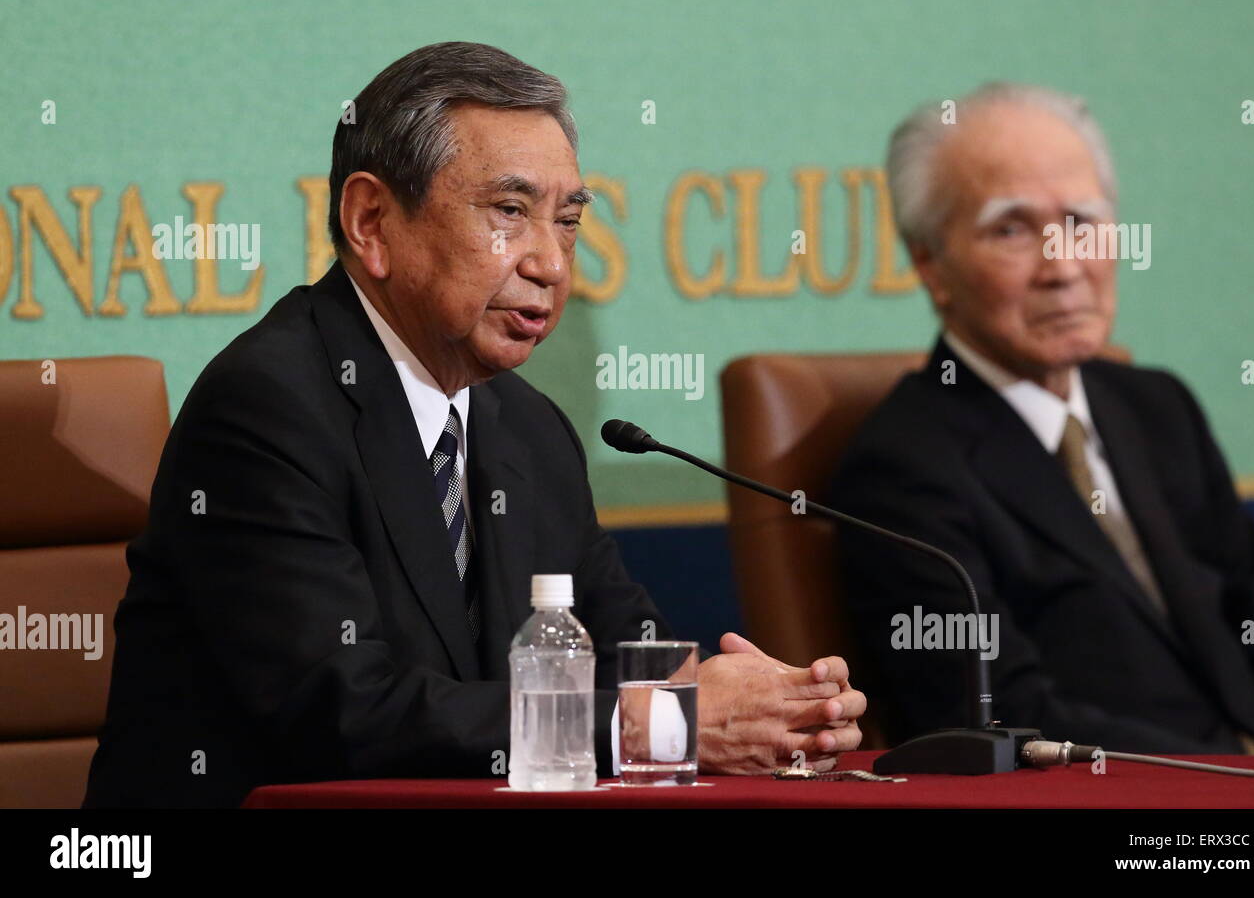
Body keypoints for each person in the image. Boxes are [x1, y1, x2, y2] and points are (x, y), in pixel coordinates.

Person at [84, 42, 864, 807]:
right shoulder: (266, 409)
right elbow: (343, 714)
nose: (552, 264)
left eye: (567, 221)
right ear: (372, 222)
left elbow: (626, 651)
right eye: (510, 211)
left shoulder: (528, 429)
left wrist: (765, 703)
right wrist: (658, 725)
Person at [830, 83, 1254, 754]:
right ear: (930, 264)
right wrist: (1226, 774)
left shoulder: (1160, 408)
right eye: (1012, 229)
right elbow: (1004, 718)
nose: (1064, 265)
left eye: (1081, 220)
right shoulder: (902, 469)